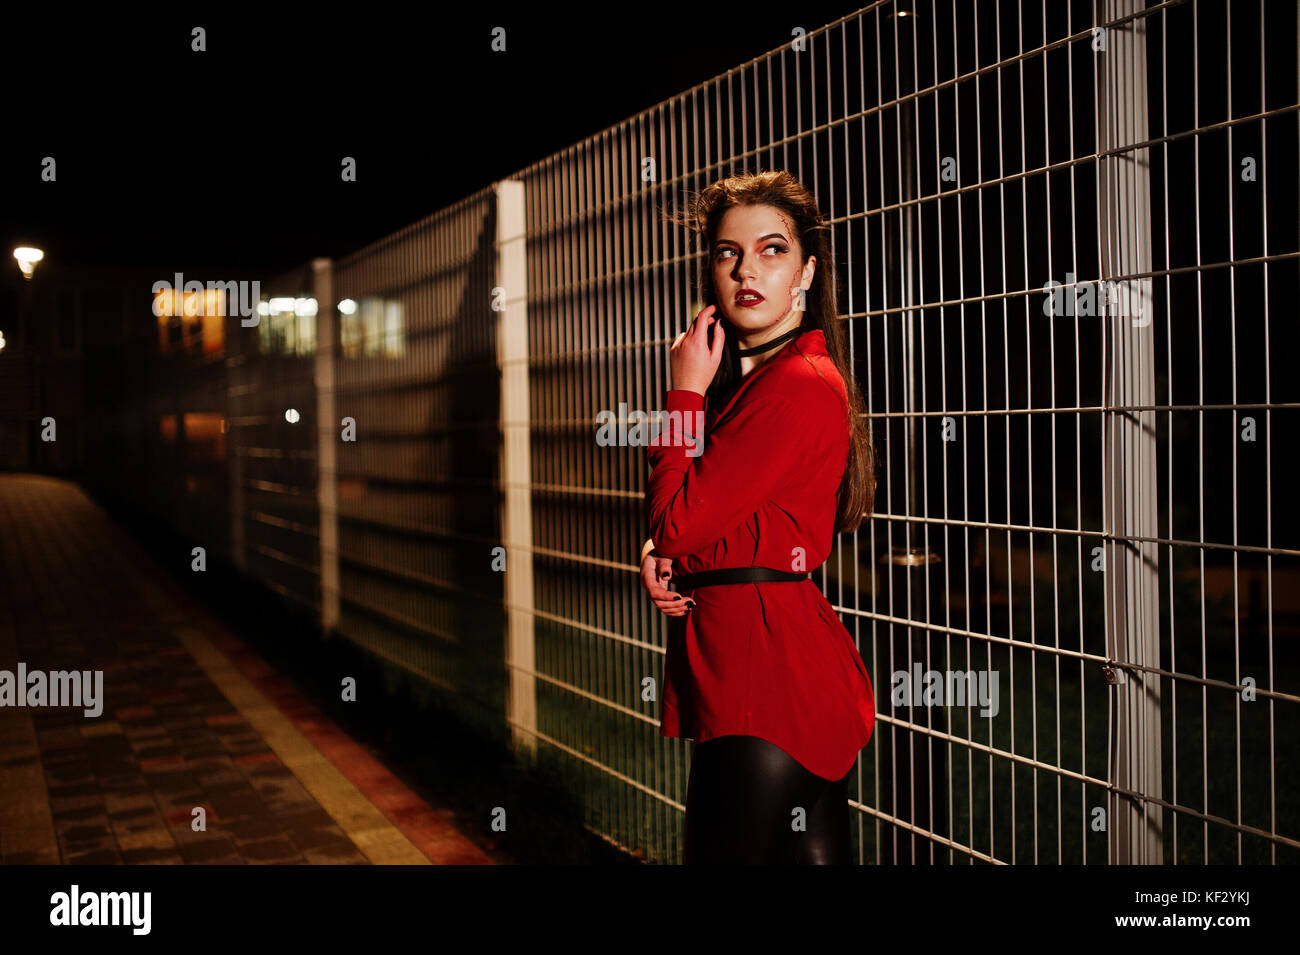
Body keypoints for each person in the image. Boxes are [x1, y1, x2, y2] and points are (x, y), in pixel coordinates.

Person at [641, 169, 878, 864]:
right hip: (774, 670)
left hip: (764, 684)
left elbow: (680, 517)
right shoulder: (768, 381)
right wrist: (662, 549)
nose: (746, 269)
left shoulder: (794, 387)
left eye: (771, 250)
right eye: (727, 252)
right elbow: (702, 519)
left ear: (806, 271)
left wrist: (682, 392)